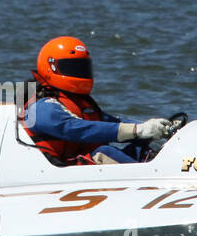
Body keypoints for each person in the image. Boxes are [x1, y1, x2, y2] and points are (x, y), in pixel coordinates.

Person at [19, 36, 173, 165]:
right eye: (72, 68)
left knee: (140, 145)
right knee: (105, 152)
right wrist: (137, 130)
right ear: (51, 68)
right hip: (58, 174)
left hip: (82, 170)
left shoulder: (79, 103)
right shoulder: (40, 107)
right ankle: (153, 181)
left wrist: (155, 128)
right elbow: (75, 128)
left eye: (82, 68)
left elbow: (110, 122)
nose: (79, 73)